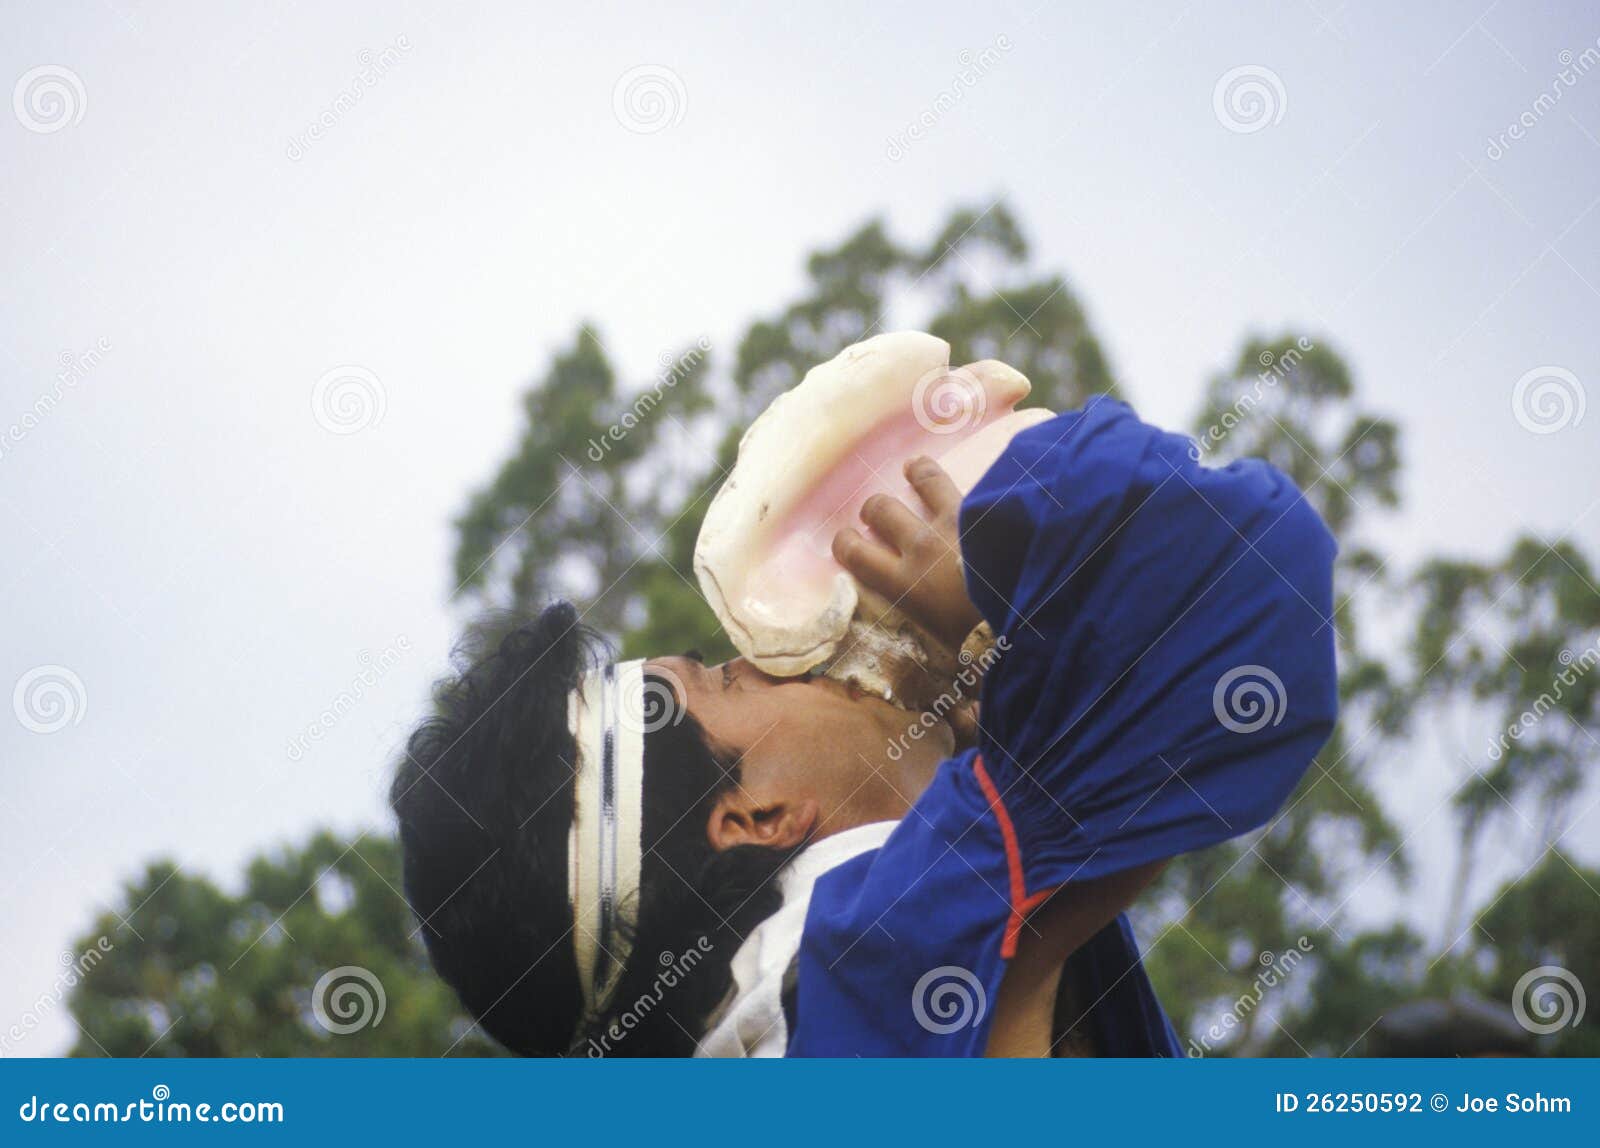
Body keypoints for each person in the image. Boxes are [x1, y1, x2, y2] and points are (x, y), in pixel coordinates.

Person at [391, 396, 1339, 1056]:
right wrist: (999, 571)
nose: (765, 661)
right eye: (727, 678)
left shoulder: (820, 1014)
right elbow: (1251, 574)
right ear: (756, 814)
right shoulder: (880, 948)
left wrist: (1016, 710)